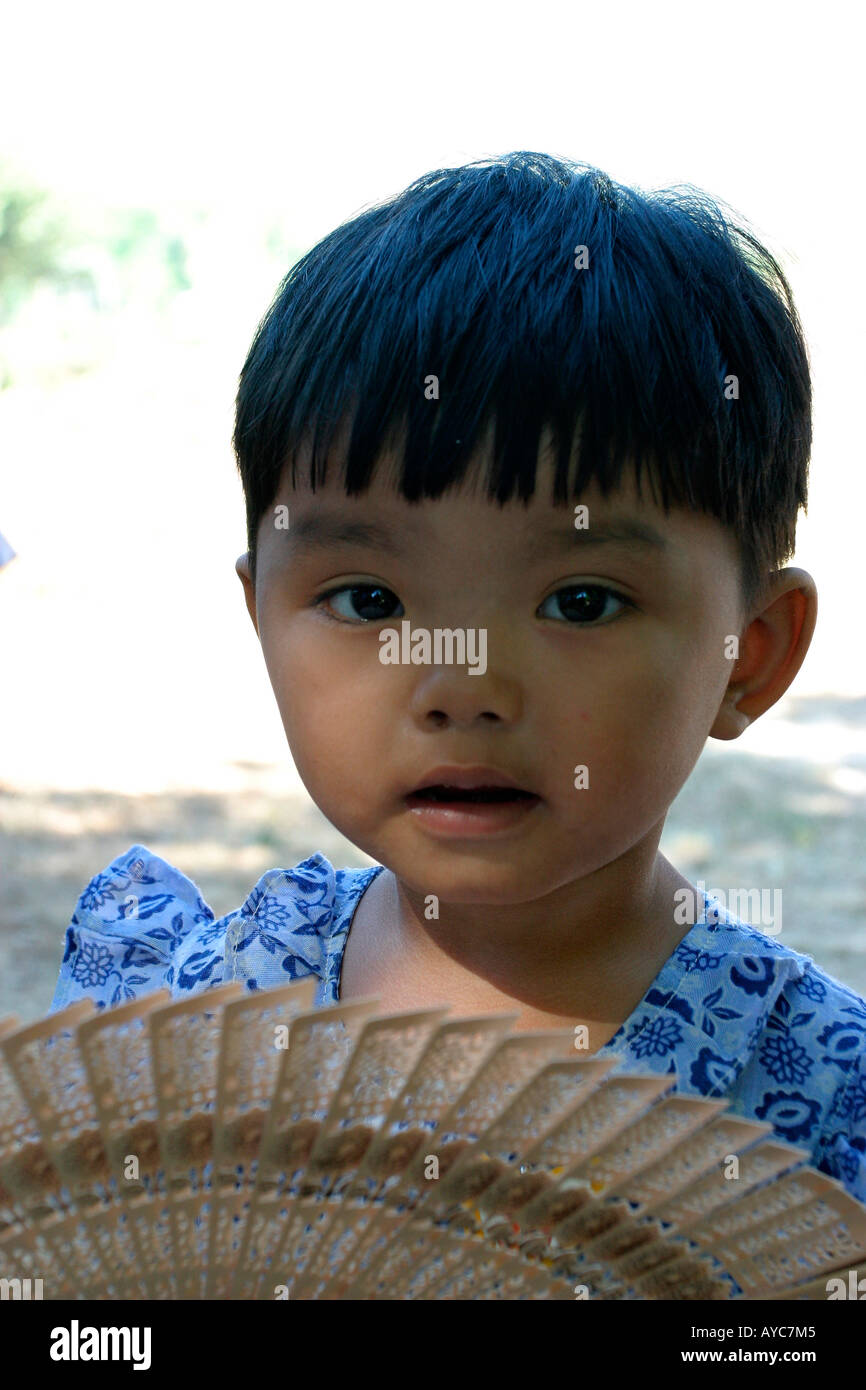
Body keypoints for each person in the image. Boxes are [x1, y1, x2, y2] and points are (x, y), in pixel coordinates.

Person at [49, 152, 865, 1208]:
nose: (458, 686)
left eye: (580, 602)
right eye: (369, 601)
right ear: (260, 618)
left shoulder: (817, 1110)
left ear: (745, 655)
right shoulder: (199, 1005)